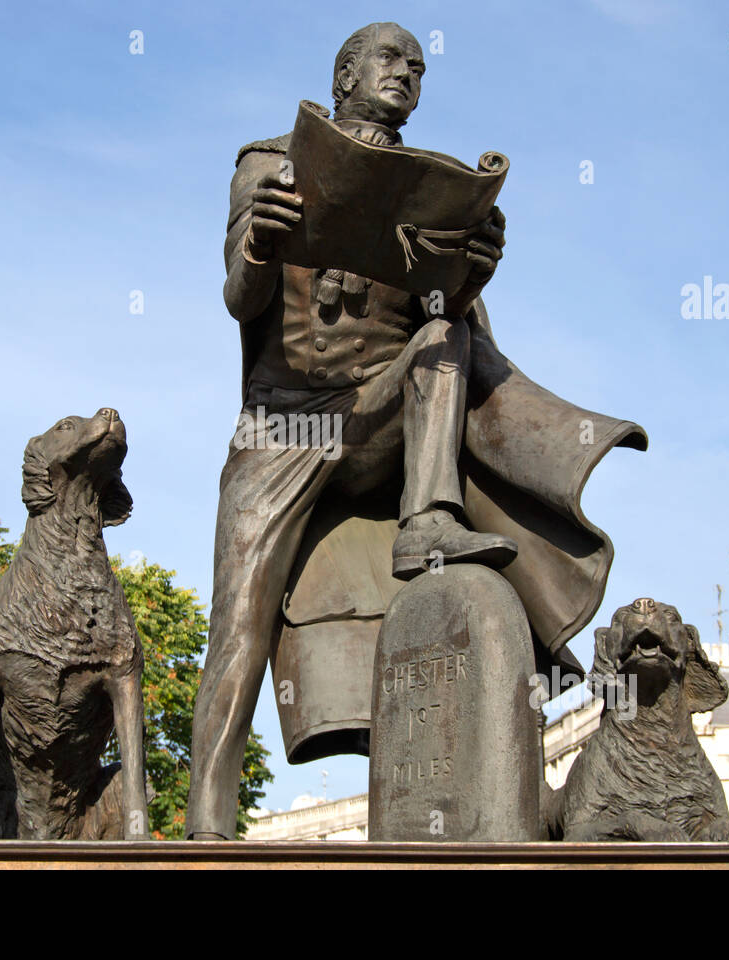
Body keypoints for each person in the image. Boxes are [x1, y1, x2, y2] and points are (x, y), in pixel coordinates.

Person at [186, 22, 647, 840]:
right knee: (241, 621)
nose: (408, 74)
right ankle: (207, 827)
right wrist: (257, 237)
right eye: (392, 60)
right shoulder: (267, 163)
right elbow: (239, 296)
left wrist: (472, 269)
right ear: (344, 74)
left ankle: (426, 517)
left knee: (440, 338)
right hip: (284, 425)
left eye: (420, 67)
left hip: (384, 417)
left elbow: (460, 330)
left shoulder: (430, 191)